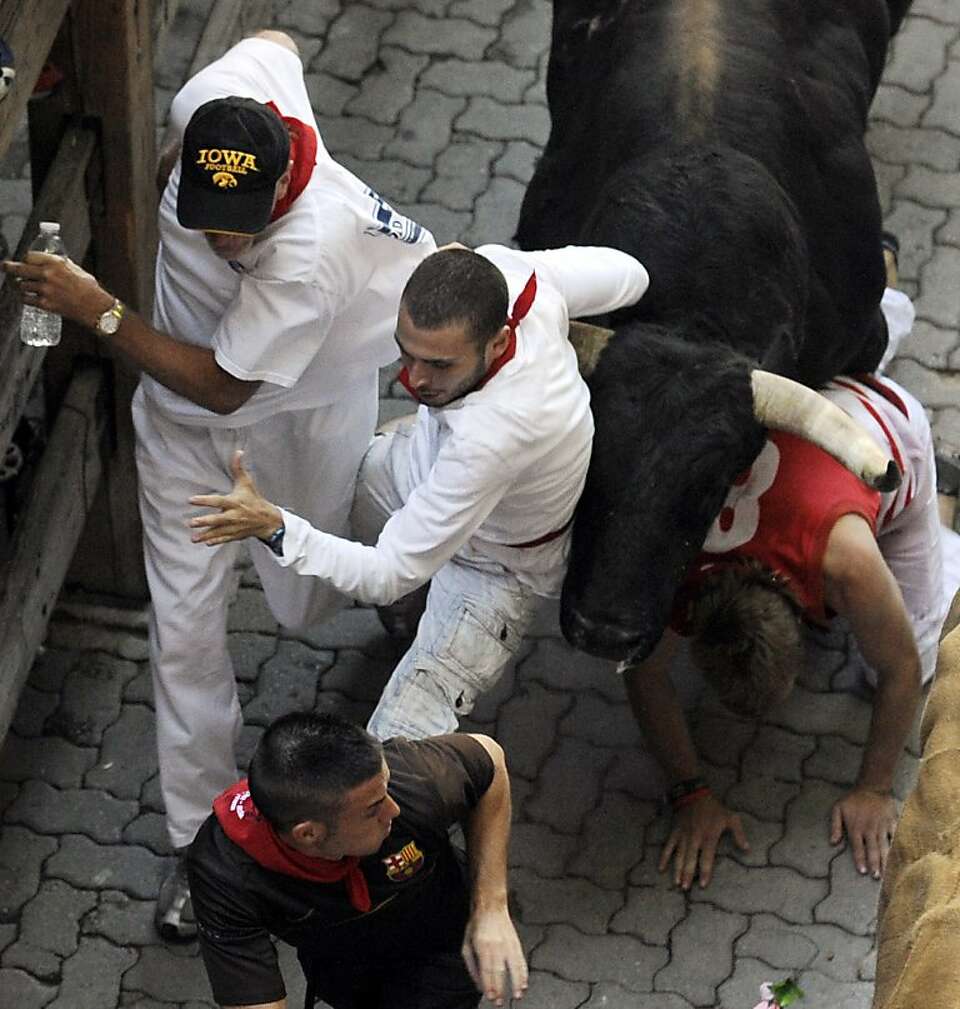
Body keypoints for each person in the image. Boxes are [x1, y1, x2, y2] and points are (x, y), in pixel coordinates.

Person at [3, 30, 436, 938]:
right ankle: (204, 849)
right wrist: (174, 158)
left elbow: (223, 382)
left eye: (239, 217)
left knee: (302, 607)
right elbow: (274, 39)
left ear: (284, 184)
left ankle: (405, 565)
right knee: (186, 637)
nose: (218, 231)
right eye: (204, 203)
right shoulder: (222, 100)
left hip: (293, 419)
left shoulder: (312, 247)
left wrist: (99, 308)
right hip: (181, 439)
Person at [188, 243, 649, 740]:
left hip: (494, 565)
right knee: (341, 487)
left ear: (499, 341)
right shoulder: (516, 277)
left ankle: (416, 608)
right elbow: (633, 274)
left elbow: (386, 573)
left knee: (397, 751)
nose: (415, 377)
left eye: (440, 365)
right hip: (417, 471)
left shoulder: (496, 433)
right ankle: (407, 604)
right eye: (406, 352)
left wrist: (274, 526)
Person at [622, 348, 946, 892]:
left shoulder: (847, 562)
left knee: (922, 650)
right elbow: (642, 672)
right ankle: (879, 328)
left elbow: (901, 670)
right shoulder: (676, 560)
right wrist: (691, 793)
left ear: (808, 612)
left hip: (885, 430)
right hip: (802, 402)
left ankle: (943, 515)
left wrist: (874, 788)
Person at [188, 711, 525, 1009]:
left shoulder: (412, 783)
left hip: (442, 943)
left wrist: (491, 907)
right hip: (344, 970)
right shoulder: (226, 872)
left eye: (386, 790)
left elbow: (489, 761)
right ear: (309, 834)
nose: (393, 809)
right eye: (373, 809)